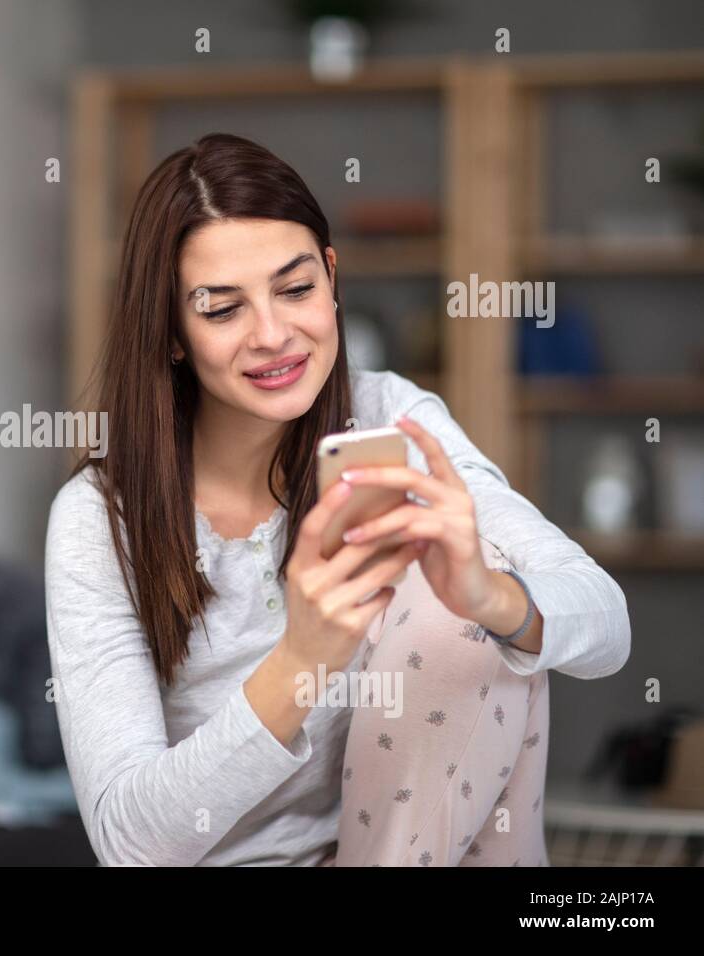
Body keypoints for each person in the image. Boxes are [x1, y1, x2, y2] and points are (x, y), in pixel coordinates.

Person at [44, 132, 630, 866]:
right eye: (223, 310)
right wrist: (300, 660)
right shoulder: (102, 518)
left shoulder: (395, 418)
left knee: (468, 617)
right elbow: (129, 844)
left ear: (331, 277)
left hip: (406, 851)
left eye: (295, 290)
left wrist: (488, 594)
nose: (274, 335)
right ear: (171, 333)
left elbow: (605, 620)